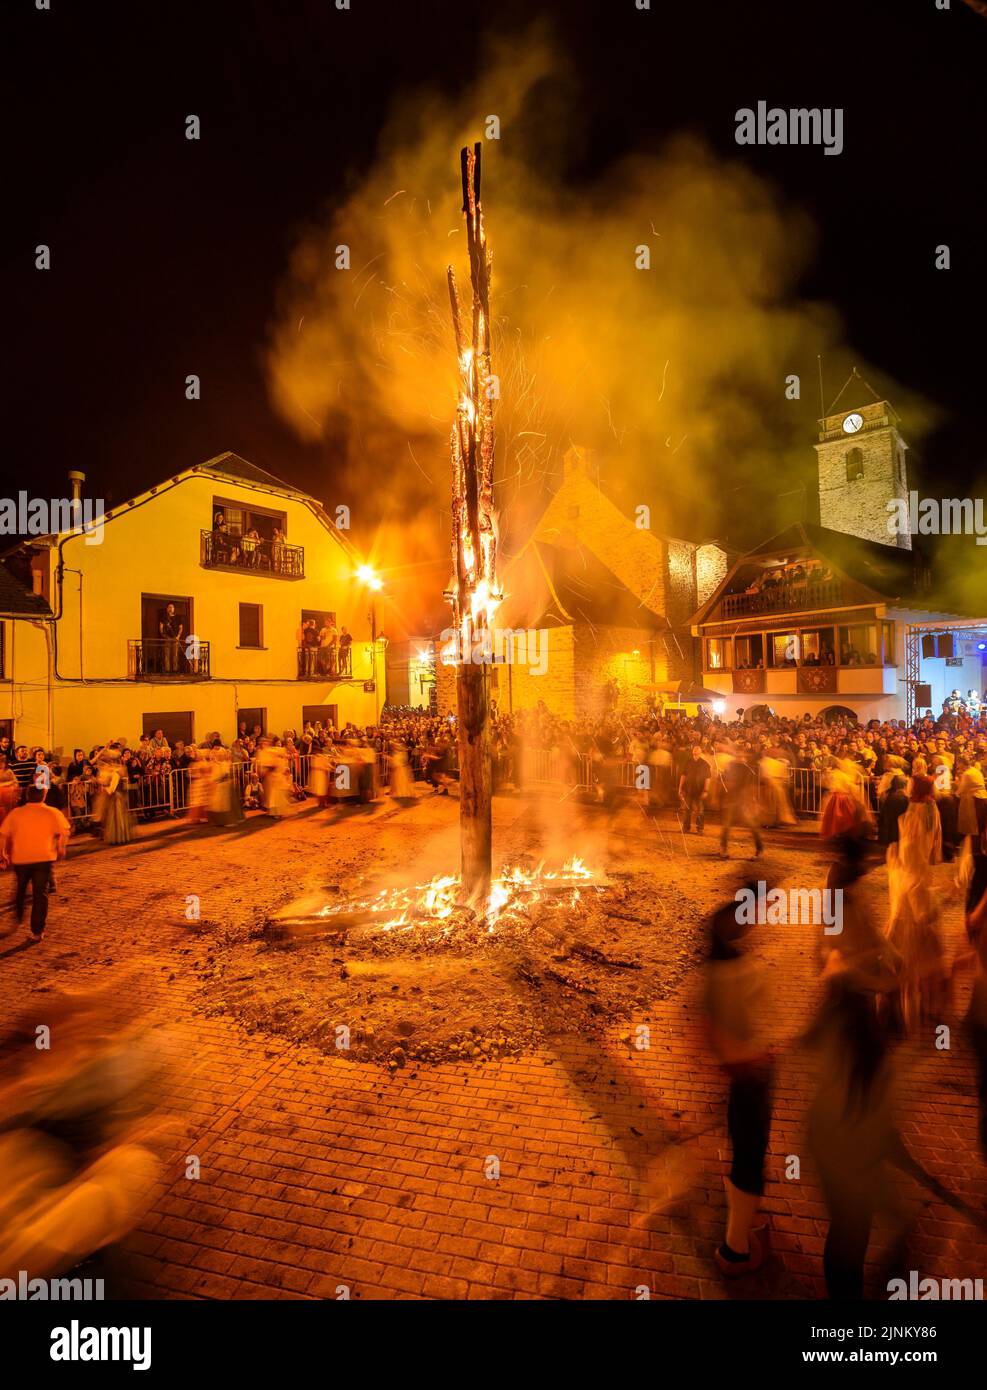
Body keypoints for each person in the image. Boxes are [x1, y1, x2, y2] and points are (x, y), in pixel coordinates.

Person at [705, 889, 773, 1277]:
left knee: (744, 1150)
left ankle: (741, 1227)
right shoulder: (739, 970)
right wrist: (748, 1059)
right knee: (750, 1157)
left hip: (741, 1074)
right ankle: (735, 1250)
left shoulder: (717, 963)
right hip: (751, 1076)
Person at [0, 786, 71, 942]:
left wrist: (3, 853)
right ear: (44, 796)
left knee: (20, 889)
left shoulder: (16, 813)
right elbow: (65, 830)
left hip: (21, 858)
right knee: (40, 895)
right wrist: (60, 847)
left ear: (27, 796)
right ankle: (37, 931)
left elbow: (3, 834)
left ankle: (19, 915)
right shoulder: (52, 813)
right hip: (43, 858)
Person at [679, 743, 711, 834]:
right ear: (692, 752)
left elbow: (708, 778)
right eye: (694, 752)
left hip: (699, 790)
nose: (695, 754)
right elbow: (683, 775)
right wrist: (680, 788)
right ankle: (686, 828)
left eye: (697, 752)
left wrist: (706, 790)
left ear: (700, 753)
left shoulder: (705, 764)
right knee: (686, 809)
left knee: (700, 810)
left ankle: (700, 829)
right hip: (688, 790)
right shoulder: (688, 762)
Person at [158, 603, 182, 675]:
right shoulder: (164, 617)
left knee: (175, 654)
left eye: (172, 607)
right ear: (167, 609)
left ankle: (175, 670)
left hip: (175, 638)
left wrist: (178, 636)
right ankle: (167, 670)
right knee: (167, 654)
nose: (170, 608)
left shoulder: (177, 617)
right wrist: (164, 635)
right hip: (167, 638)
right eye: (169, 607)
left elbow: (181, 628)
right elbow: (161, 627)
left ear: (174, 609)